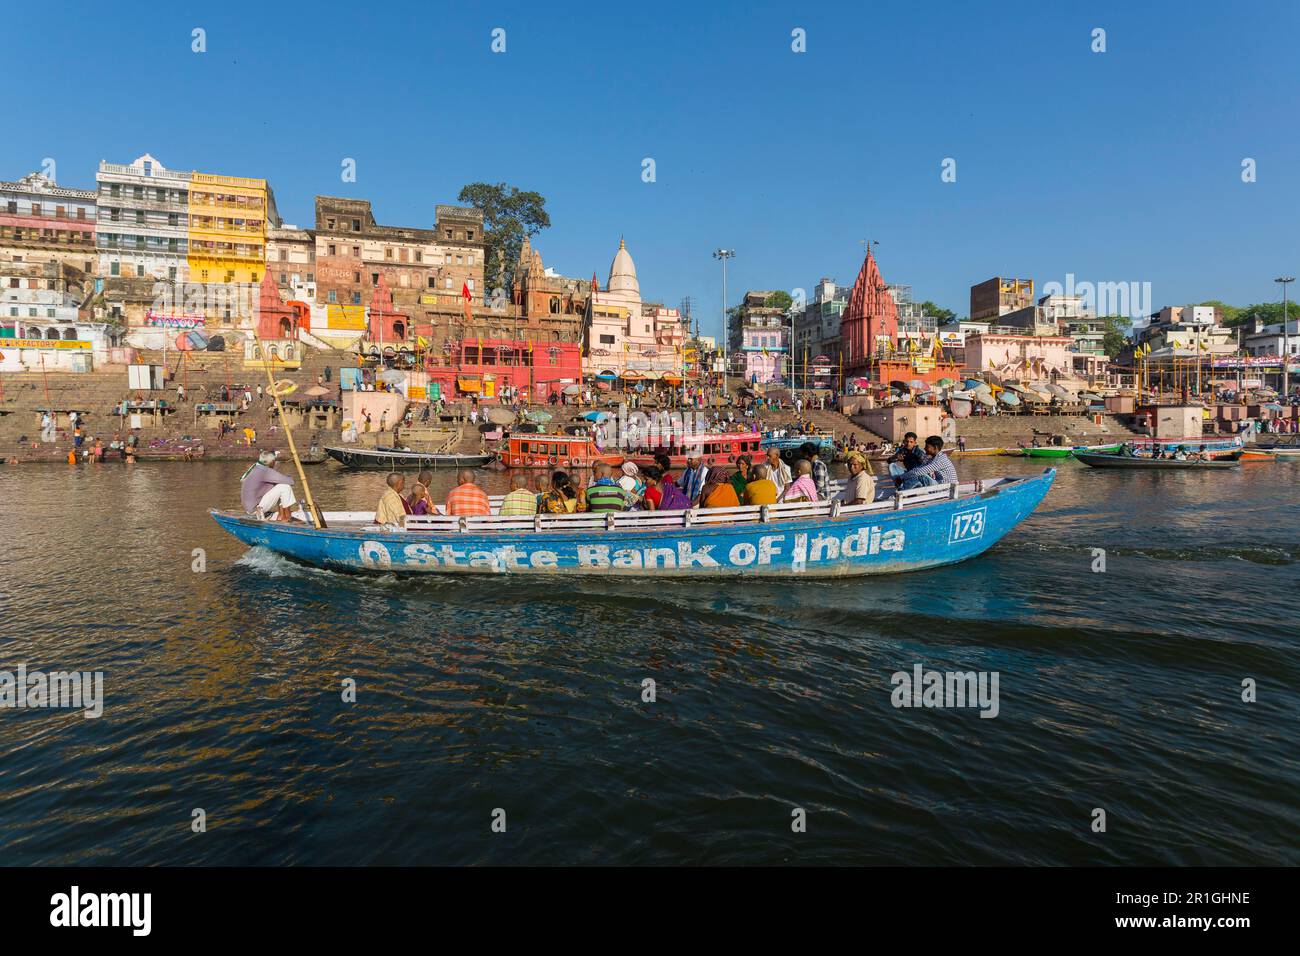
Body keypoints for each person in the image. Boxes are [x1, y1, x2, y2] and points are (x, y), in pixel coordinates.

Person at [240, 450, 298, 521]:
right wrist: (288, 476)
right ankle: (288, 517)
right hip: (256, 509)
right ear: (272, 461)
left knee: (279, 486)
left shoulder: (256, 468)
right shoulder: (265, 471)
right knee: (285, 487)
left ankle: (281, 516)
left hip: (249, 508)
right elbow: (291, 481)